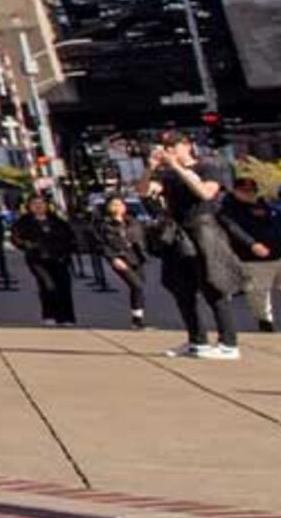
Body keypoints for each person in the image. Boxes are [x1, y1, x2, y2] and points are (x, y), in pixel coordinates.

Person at [143, 135, 245, 360]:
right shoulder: (166, 174)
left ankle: (228, 342)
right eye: (165, 147)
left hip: (203, 228)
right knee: (181, 288)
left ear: (187, 146)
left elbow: (205, 192)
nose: (168, 150)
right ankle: (196, 340)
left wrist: (177, 167)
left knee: (213, 284)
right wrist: (149, 170)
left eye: (173, 146)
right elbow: (144, 191)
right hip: (177, 233)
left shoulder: (208, 166)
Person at [221, 177, 281, 334]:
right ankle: (264, 320)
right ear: (235, 191)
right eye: (244, 192)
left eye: (252, 191)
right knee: (258, 292)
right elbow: (233, 230)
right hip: (254, 258)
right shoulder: (229, 210)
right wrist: (252, 244)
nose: (249, 195)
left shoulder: (265, 205)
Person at [82, 191, 151, 328]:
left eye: (120, 204)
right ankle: (137, 320)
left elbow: (142, 237)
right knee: (137, 286)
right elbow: (101, 244)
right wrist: (113, 258)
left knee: (138, 288)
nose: (117, 207)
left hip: (136, 257)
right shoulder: (103, 224)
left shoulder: (132, 221)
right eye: (114, 204)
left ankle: (137, 317)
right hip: (120, 257)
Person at [14, 191, 80, 328]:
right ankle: (49, 314)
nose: (38, 206)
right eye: (35, 204)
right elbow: (16, 238)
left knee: (64, 286)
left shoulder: (57, 221)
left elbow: (70, 237)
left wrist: (68, 250)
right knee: (48, 285)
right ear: (29, 206)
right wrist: (28, 245)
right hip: (38, 259)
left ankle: (67, 316)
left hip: (59, 258)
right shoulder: (24, 222)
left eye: (41, 203)